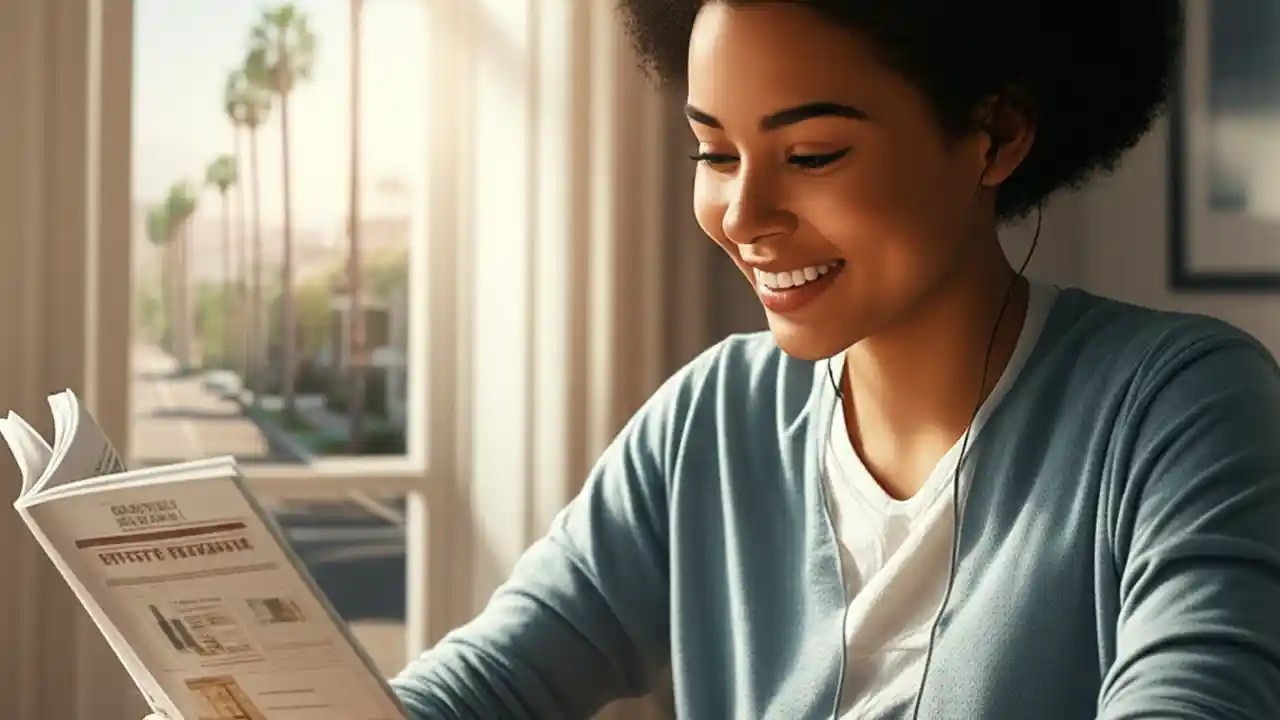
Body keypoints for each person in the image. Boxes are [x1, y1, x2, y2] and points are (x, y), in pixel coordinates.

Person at [148, 1, 1280, 718]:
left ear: (994, 134)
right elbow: (491, 682)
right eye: (711, 150)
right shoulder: (709, 422)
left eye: (812, 153)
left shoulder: (1176, 406)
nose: (742, 212)